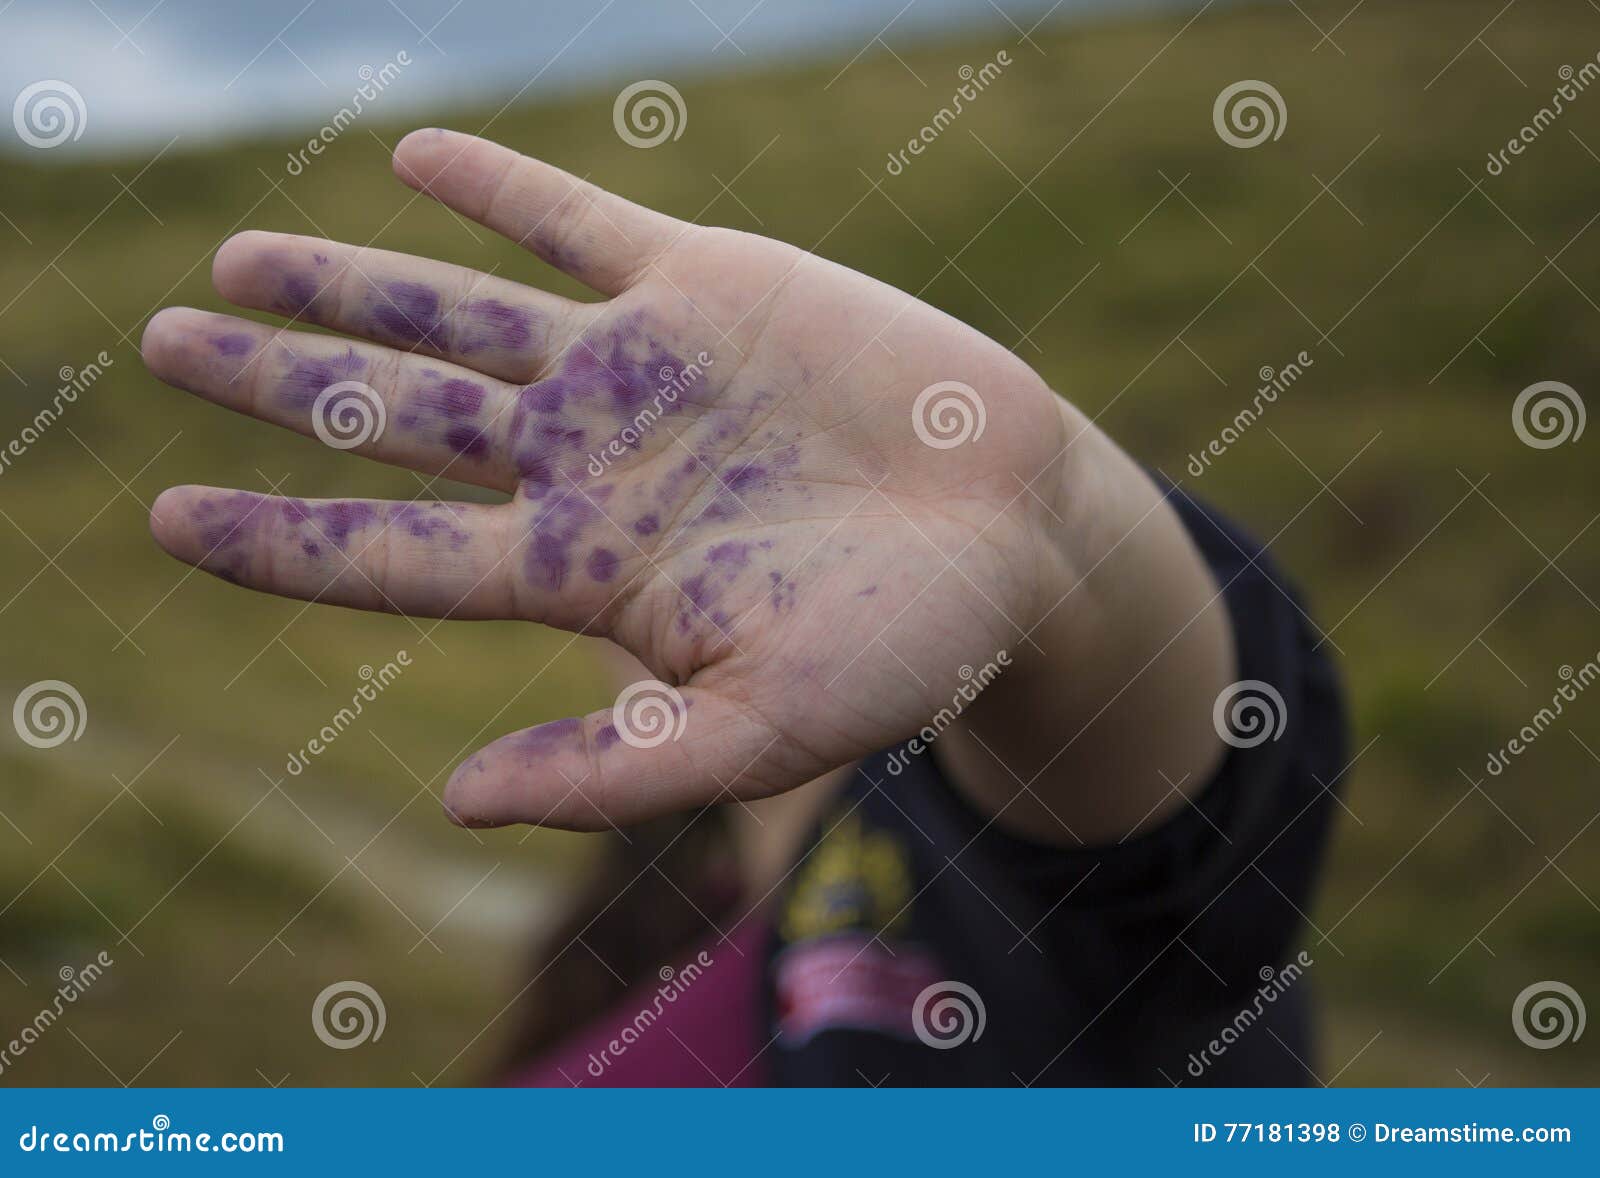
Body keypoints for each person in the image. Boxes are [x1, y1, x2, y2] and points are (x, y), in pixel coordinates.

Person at [141, 128, 1345, 1086]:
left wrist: (1052, 519)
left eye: (741, 537)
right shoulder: (639, 938)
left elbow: (1197, 810)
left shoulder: (1035, 899)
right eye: (641, 557)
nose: (662, 606)